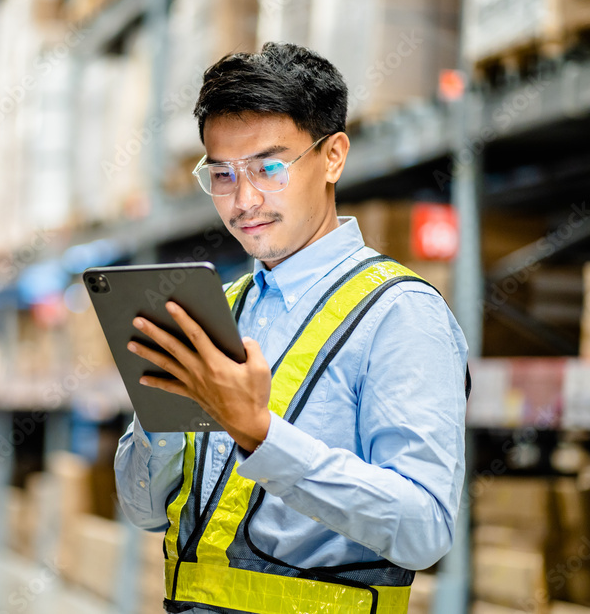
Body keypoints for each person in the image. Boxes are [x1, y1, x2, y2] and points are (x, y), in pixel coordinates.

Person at [114, 43, 469, 613]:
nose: (244, 200)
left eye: (269, 168)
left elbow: (424, 530)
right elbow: (144, 512)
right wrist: (159, 417)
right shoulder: (214, 314)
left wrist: (261, 434)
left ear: (332, 157)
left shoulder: (400, 314)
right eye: (223, 175)